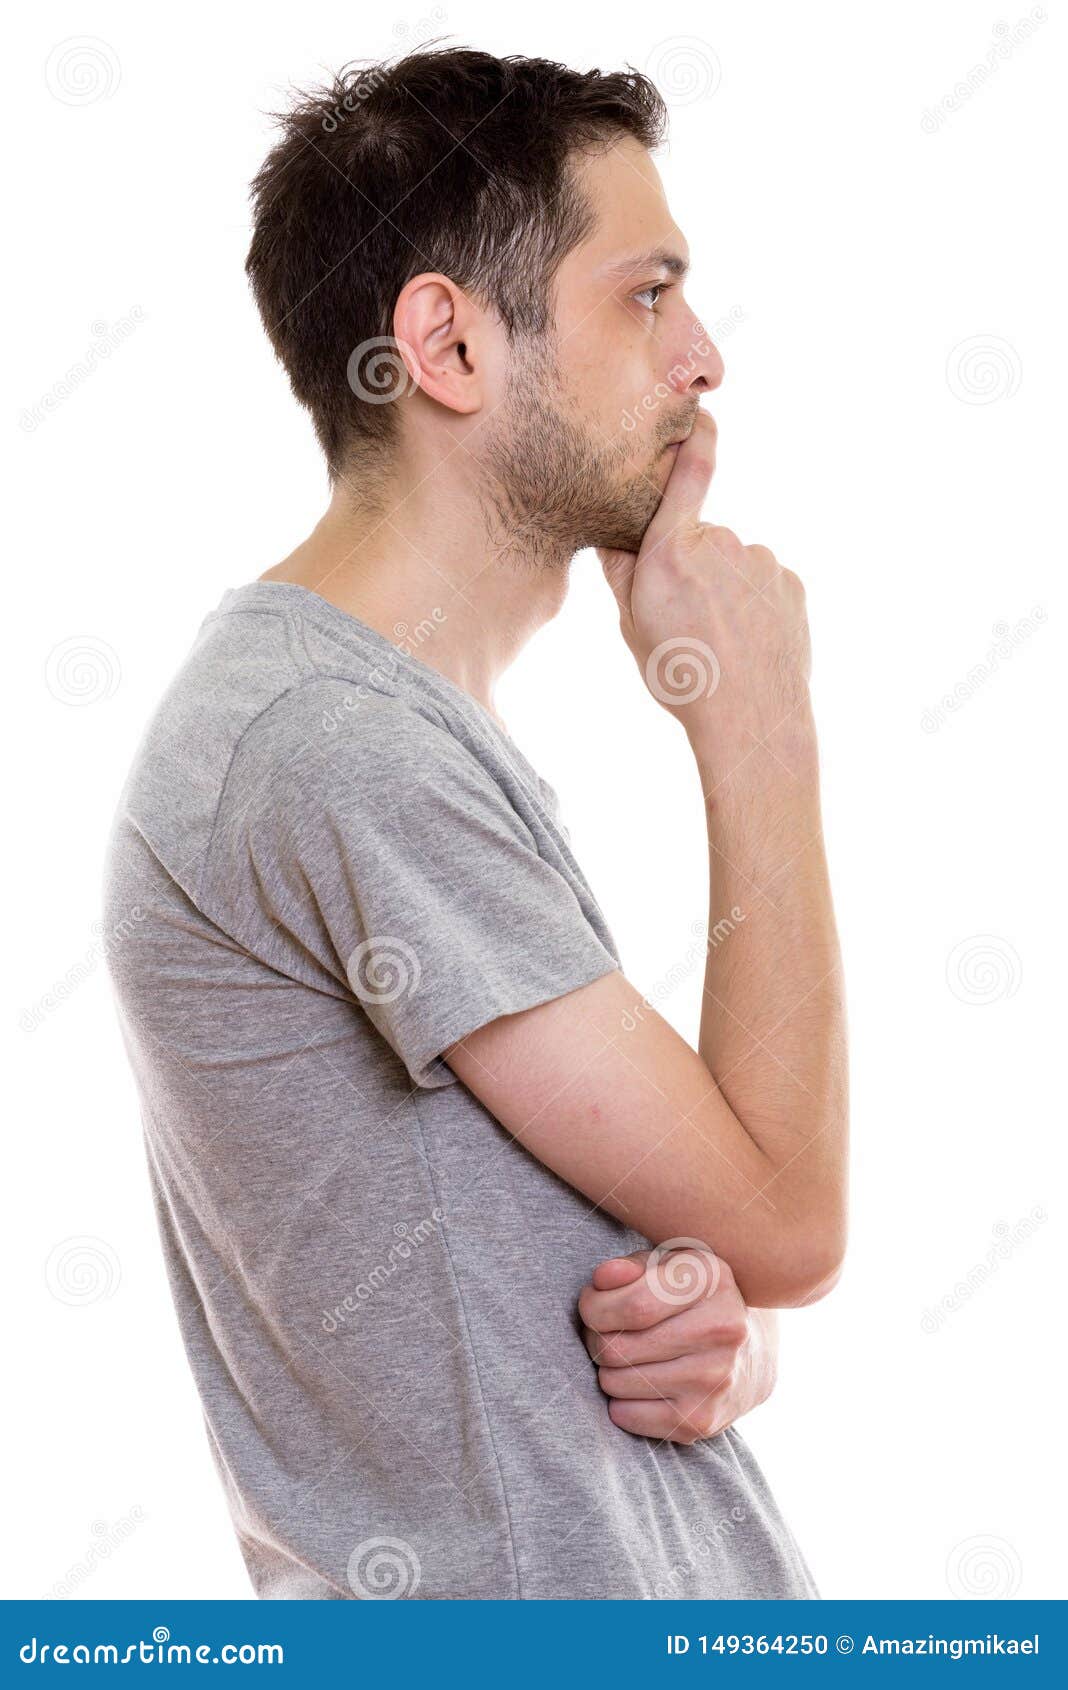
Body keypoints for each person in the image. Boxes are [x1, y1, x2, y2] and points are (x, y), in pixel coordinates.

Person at [102, 45, 848, 1601]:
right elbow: (790, 1215)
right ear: (444, 344)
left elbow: (698, 1258)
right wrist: (760, 734)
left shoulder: (379, 728)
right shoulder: (334, 746)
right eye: (646, 294)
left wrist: (728, 1341)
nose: (703, 359)